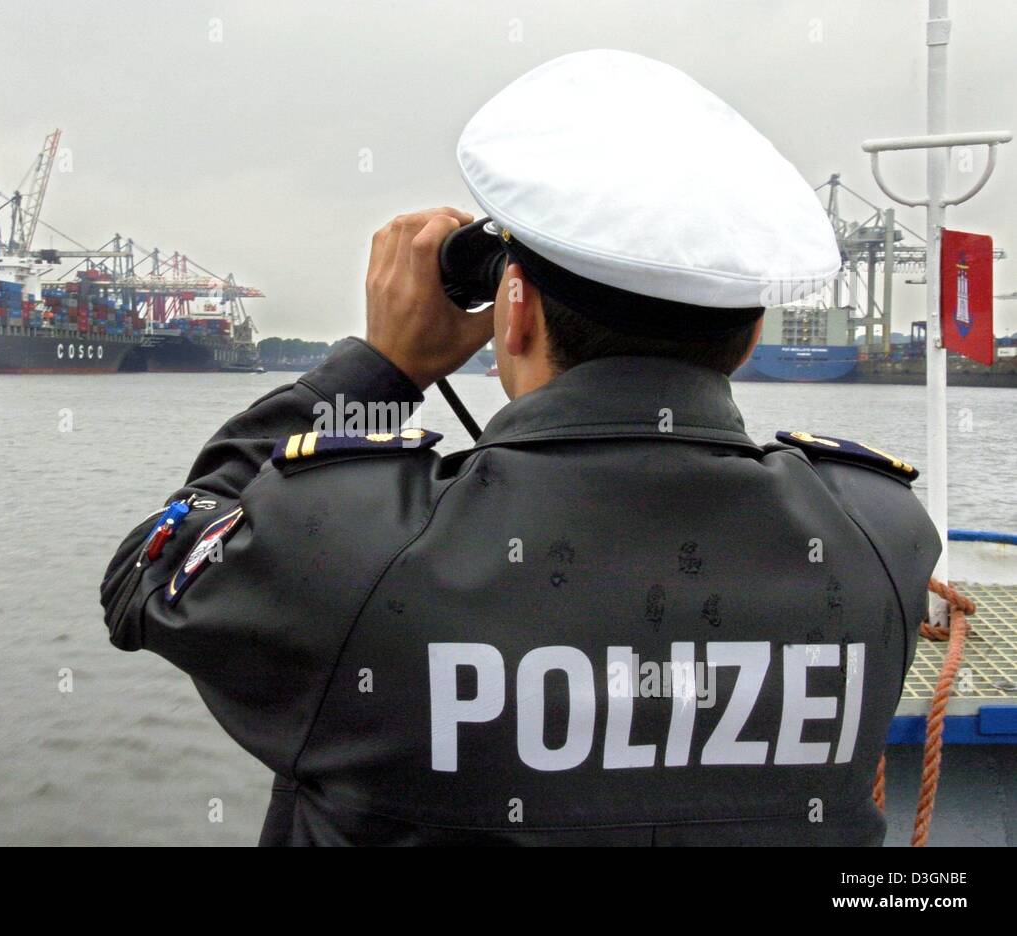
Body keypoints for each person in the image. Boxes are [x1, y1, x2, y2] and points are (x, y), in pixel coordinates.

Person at [100, 50, 939, 845]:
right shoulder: (879, 535)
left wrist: (380, 369)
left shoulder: (350, 549)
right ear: (751, 336)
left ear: (517, 310)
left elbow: (147, 574)